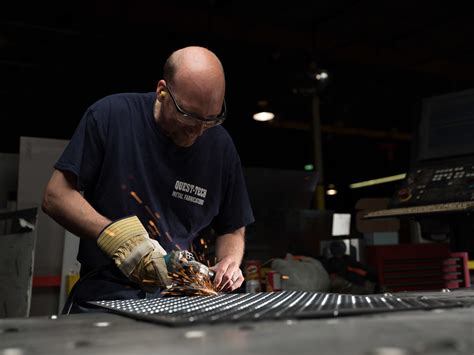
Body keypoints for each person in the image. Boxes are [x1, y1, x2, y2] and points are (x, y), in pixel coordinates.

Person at [42, 46, 254, 312]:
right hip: (106, 295)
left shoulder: (221, 146)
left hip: (181, 298)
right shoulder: (111, 116)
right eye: (189, 116)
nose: (199, 131)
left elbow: (233, 225)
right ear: (162, 91)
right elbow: (56, 196)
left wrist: (230, 261)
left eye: (211, 119)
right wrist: (120, 238)